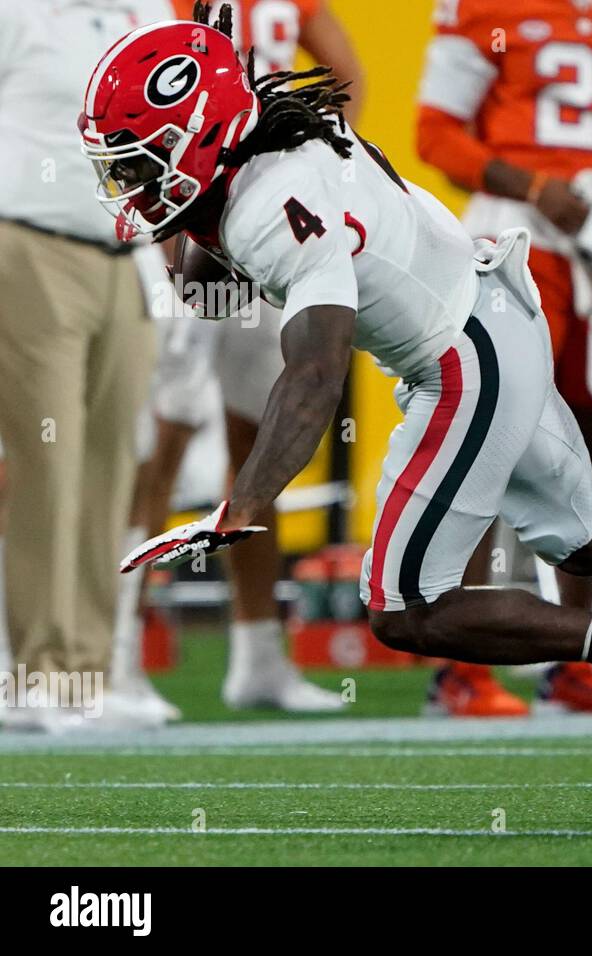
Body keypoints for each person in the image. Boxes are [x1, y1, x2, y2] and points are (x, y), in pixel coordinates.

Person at [88, 6, 592, 784]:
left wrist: (245, 505)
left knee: (404, 605)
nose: (130, 179)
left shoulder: (273, 204)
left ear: (202, 135)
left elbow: (316, 372)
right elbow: (213, 294)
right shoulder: (267, 131)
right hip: (491, 313)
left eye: (140, 157)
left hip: (460, 358)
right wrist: (189, 222)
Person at [412, 0, 592, 717]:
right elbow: (435, 135)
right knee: (486, 439)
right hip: (511, 240)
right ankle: (460, 664)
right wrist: (534, 187)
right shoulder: (483, 9)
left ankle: (576, 658)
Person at [112, 0, 366, 720]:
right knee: (165, 440)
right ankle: (119, 658)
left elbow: (345, 77)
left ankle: (258, 655)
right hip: (188, 229)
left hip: (252, 227)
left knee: (258, 438)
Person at [0, 0, 176, 729]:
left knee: (112, 467)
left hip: (130, 256)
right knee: (51, 461)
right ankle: (39, 672)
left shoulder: (152, 13)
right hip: (32, 243)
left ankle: (88, 674)